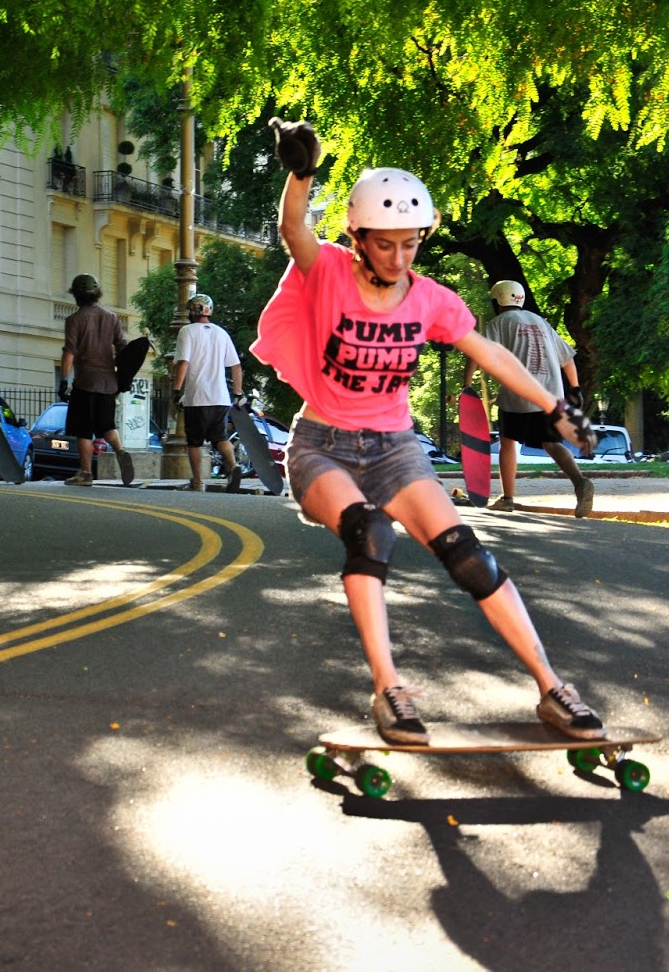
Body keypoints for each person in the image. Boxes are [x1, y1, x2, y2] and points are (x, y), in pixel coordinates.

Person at [252, 116, 605, 746]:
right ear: (358, 238)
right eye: (384, 244)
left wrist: (556, 404)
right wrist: (300, 176)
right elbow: (291, 230)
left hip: (395, 450)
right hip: (322, 445)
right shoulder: (328, 271)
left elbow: (493, 356)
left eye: (410, 243)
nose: (398, 256)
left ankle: (552, 687)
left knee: (470, 557)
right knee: (370, 532)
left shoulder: (432, 300)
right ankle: (389, 689)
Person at [463, 280, 595, 517]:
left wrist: (467, 385)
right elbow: (567, 358)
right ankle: (580, 483)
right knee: (552, 443)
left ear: (498, 301)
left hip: (518, 396)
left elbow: (477, 351)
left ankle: (508, 498)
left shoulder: (500, 322)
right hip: (551, 395)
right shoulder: (541, 322)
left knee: (507, 442)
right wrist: (575, 389)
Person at [59, 272, 133, 487]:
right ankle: (120, 451)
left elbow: (69, 352)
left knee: (83, 428)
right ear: (97, 293)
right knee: (106, 424)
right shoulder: (112, 317)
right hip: (109, 383)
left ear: (76, 295)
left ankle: (85, 473)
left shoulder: (74, 320)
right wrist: (123, 376)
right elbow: (123, 348)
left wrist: (64, 380)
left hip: (85, 382)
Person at [172, 292, 244, 493]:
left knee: (194, 441)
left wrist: (177, 390)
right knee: (220, 438)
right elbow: (236, 366)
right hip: (221, 398)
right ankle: (233, 466)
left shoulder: (187, 331)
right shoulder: (221, 333)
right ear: (209, 310)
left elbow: (183, 362)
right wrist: (237, 393)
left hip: (197, 398)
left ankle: (197, 481)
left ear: (191, 312)